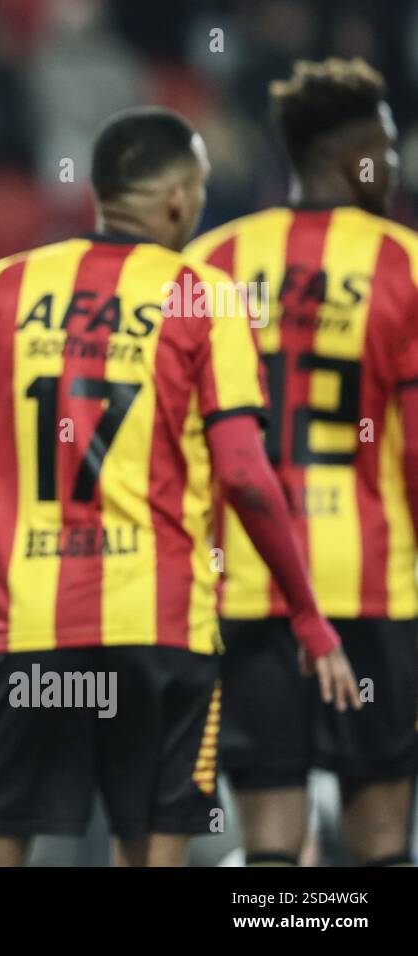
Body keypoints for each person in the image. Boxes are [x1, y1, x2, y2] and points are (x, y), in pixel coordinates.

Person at [0, 106, 359, 868]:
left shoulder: (3, 288)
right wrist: (307, 613)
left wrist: (12, 590)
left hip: (34, 626)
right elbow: (244, 474)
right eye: (199, 191)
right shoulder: (205, 296)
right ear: (178, 200)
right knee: (151, 858)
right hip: (163, 630)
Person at [186, 58, 418, 867]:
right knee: (384, 842)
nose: (393, 165)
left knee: (273, 850)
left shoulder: (209, 266)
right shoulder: (405, 262)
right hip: (374, 586)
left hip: (248, 586)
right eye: (385, 148)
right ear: (354, 154)